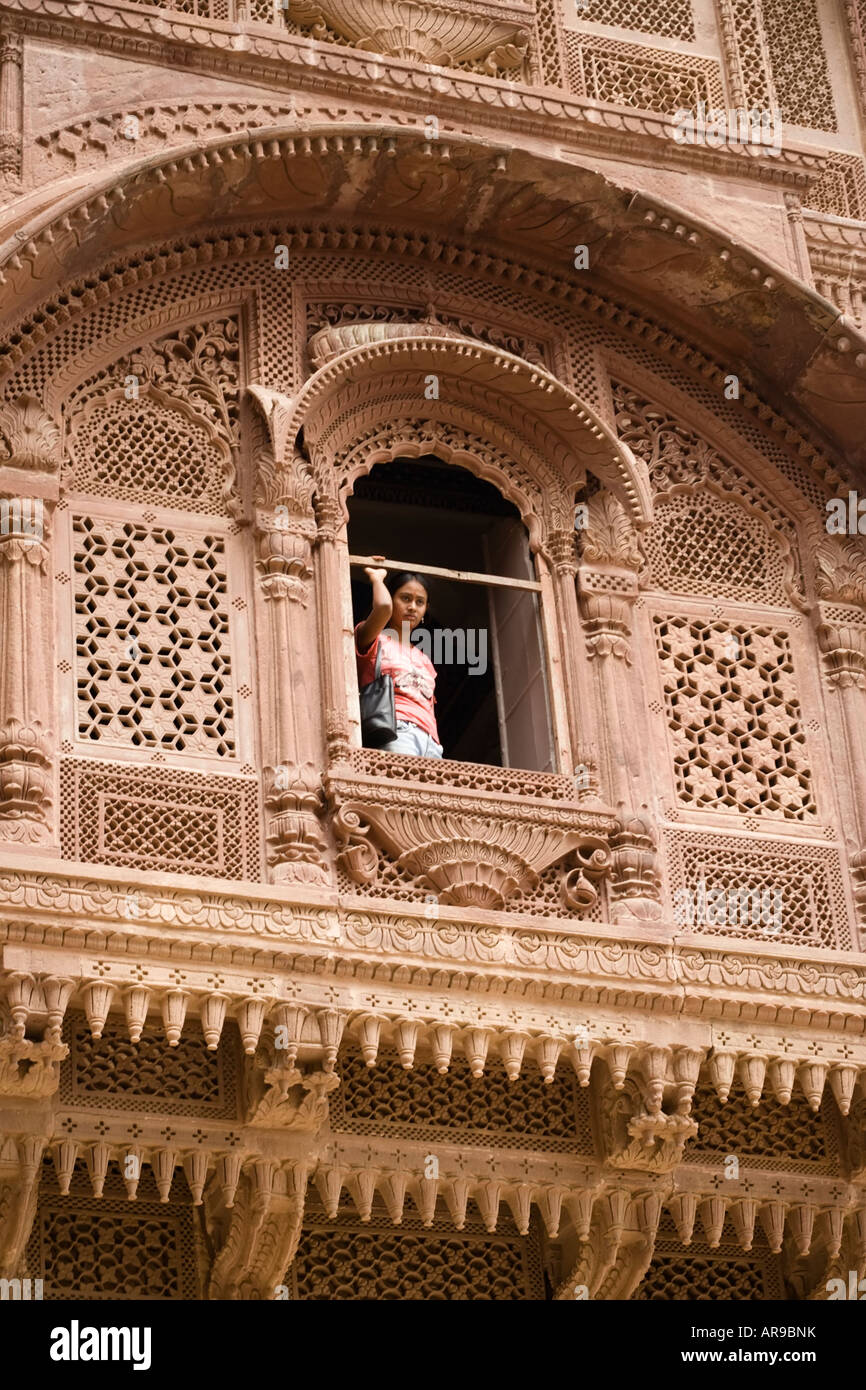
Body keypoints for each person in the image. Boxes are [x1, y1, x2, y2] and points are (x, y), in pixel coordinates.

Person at [355, 564, 443, 758]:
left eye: (419, 602)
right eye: (405, 598)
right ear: (392, 598)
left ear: (425, 610)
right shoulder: (375, 639)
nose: (412, 607)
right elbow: (383, 608)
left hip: (431, 742)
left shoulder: (424, 659)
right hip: (396, 730)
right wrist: (377, 578)